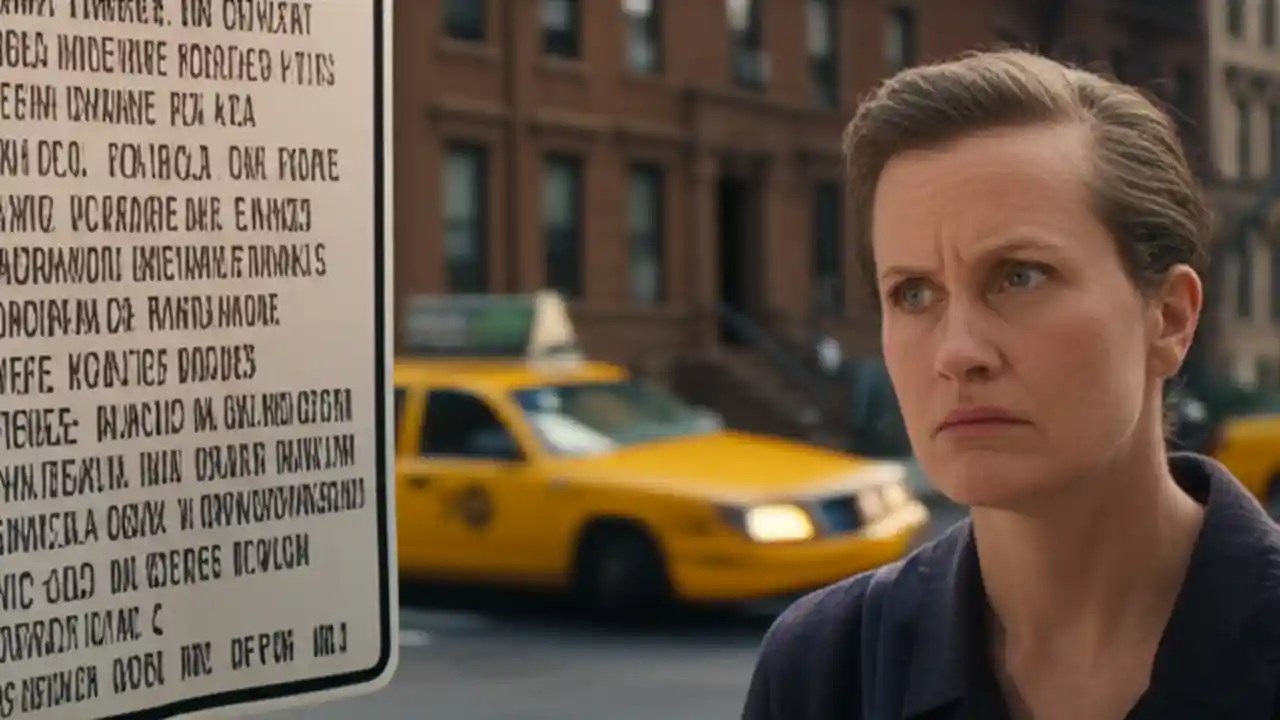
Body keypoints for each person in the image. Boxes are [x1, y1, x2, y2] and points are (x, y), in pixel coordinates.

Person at [742, 49, 1280, 719]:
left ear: (1169, 318)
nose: (958, 352)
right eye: (913, 293)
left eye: (1020, 277)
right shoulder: (825, 669)